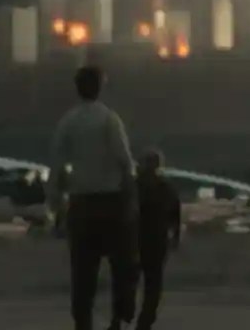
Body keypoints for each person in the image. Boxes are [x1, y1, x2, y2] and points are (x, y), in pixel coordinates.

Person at [47, 66, 138, 330]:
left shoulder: (68, 122)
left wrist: (56, 205)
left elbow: (57, 166)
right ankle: (118, 320)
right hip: (111, 204)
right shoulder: (110, 119)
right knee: (122, 267)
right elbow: (124, 162)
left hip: (81, 205)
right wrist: (131, 199)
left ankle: (83, 323)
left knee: (83, 274)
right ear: (100, 87)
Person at [134, 149, 181, 330]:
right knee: (153, 285)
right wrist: (175, 236)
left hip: (136, 240)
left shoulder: (134, 186)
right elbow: (175, 215)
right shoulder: (166, 187)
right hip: (158, 240)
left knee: (129, 281)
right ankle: (145, 321)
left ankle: (122, 318)